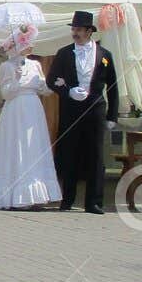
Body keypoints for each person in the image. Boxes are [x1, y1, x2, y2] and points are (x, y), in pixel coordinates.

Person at [46, 11, 120, 214]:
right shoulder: (63, 53)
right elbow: (51, 80)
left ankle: (93, 202)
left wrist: (112, 116)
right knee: (69, 152)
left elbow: (113, 87)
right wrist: (67, 90)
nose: (75, 33)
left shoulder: (105, 55)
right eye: (73, 29)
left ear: (89, 31)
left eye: (78, 30)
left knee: (95, 155)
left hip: (95, 109)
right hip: (71, 109)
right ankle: (67, 199)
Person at [0, 24, 61, 209]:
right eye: (27, 44)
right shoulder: (6, 66)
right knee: (17, 145)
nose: (31, 47)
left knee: (33, 146)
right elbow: (6, 93)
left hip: (33, 109)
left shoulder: (35, 65)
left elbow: (43, 89)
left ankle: (35, 195)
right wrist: (17, 81)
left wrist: (55, 83)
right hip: (15, 110)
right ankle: (14, 194)